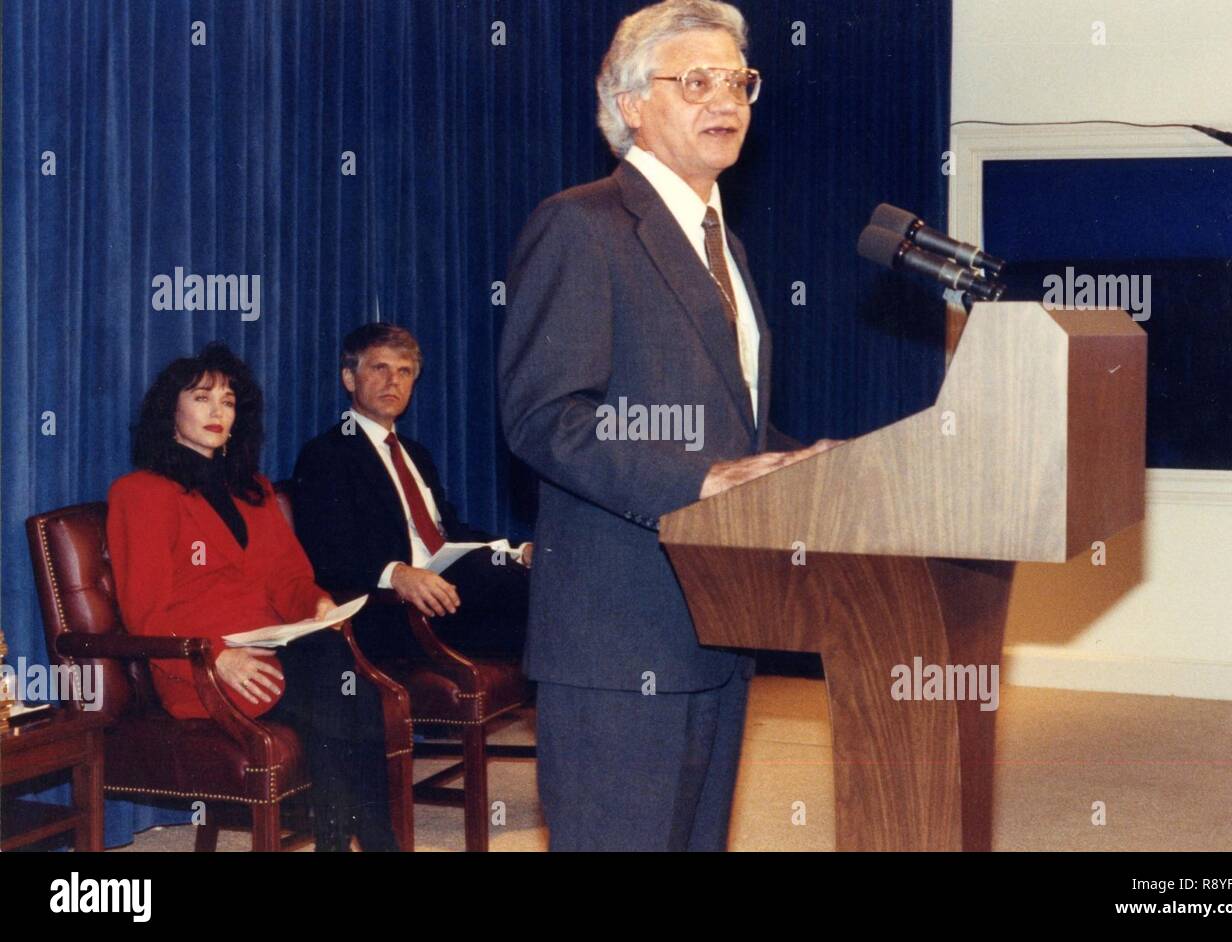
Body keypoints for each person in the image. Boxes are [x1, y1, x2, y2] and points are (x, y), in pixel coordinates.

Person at [498, 0, 831, 851]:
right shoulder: (582, 225)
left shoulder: (723, 241)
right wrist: (698, 481)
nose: (726, 99)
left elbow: (725, 426)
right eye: (697, 81)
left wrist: (813, 463)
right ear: (632, 102)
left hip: (717, 622)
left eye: (738, 81)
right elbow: (543, 417)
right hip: (618, 635)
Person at [106, 342, 398, 851]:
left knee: (345, 678)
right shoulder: (141, 492)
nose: (218, 412)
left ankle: (350, 843)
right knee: (338, 685)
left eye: (229, 401)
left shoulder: (253, 489)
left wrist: (317, 606)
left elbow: (290, 578)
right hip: (200, 668)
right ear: (170, 412)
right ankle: (369, 843)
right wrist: (218, 658)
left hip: (273, 647)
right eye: (202, 398)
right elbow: (145, 612)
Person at [292, 323, 531, 664]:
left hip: (452, 595)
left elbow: (452, 532)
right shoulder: (326, 454)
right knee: (533, 610)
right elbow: (327, 553)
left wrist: (518, 550)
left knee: (540, 582)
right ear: (349, 378)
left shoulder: (415, 454)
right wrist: (397, 573)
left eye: (404, 372)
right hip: (395, 608)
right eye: (380, 368)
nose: (394, 382)